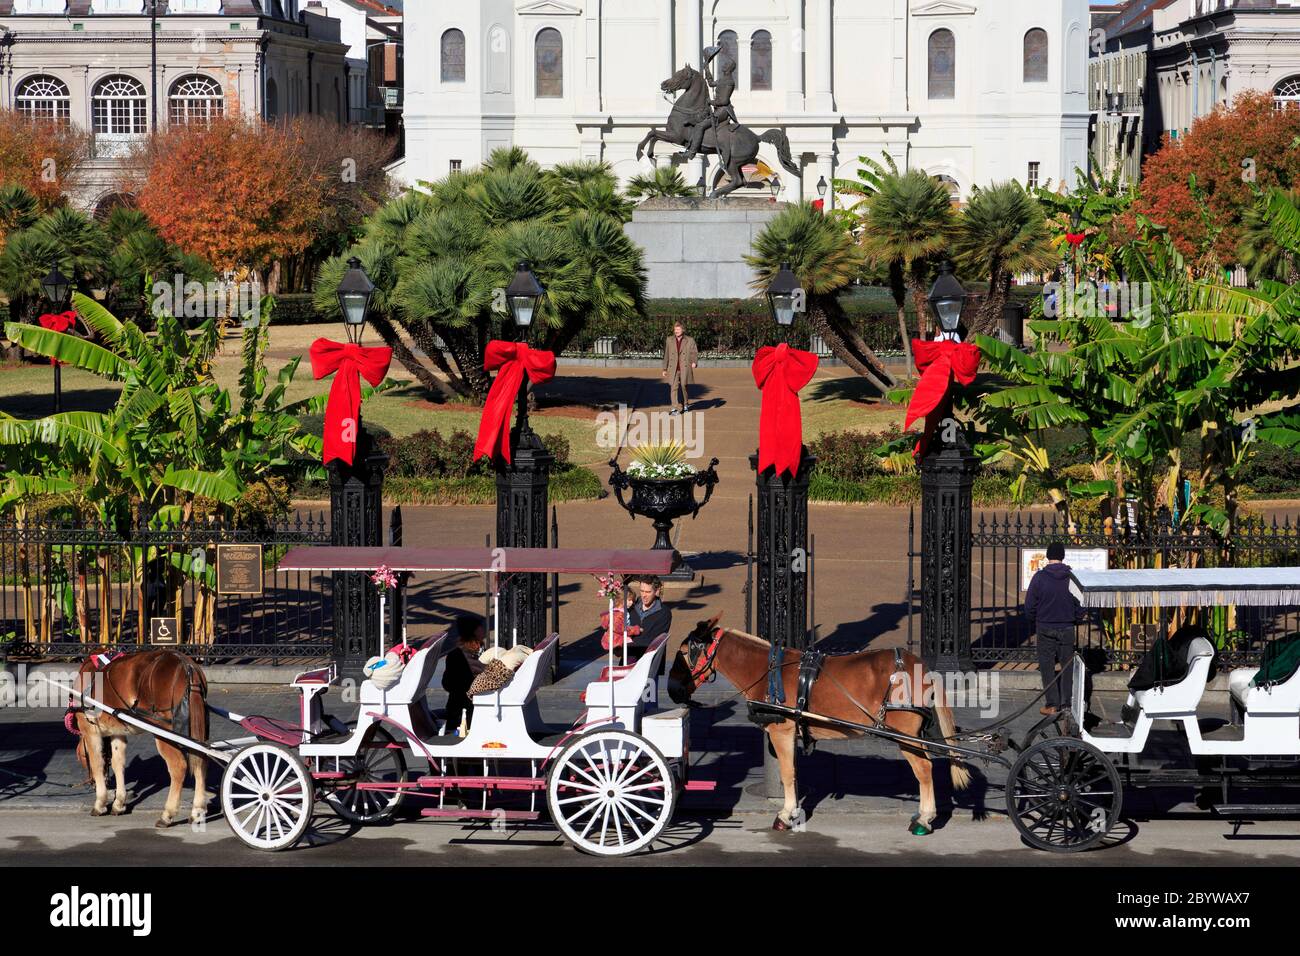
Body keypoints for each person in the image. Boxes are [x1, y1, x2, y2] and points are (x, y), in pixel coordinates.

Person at [1024, 542, 1081, 716]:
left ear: (1048, 556)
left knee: (1047, 666)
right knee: (1066, 667)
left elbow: (1029, 605)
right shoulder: (1072, 577)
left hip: (1045, 626)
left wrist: (1035, 619)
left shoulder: (1039, 577)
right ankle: (1066, 704)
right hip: (1066, 626)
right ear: (1062, 556)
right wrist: (1076, 618)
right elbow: (1081, 603)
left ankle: (1052, 704)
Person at [442, 614, 485, 734]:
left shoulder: (475, 650)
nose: (484, 629)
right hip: (463, 711)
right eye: (481, 627)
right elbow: (449, 684)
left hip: (467, 704)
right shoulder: (458, 655)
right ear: (474, 631)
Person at [626, 576, 673, 661]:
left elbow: (655, 640)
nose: (644, 595)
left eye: (648, 592)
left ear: (657, 591)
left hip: (650, 662)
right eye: (642, 591)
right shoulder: (631, 607)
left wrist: (626, 643)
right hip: (628, 660)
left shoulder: (664, 612)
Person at [663, 321, 698, 415]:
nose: (676, 331)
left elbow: (694, 352)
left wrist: (694, 361)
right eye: (675, 329)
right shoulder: (669, 340)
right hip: (673, 368)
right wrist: (664, 368)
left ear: (683, 330)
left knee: (683, 386)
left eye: (678, 329)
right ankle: (674, 408)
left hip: (684, 368)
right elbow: (666, 354)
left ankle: (685, 404)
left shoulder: (690, 340)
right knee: (673, 387)